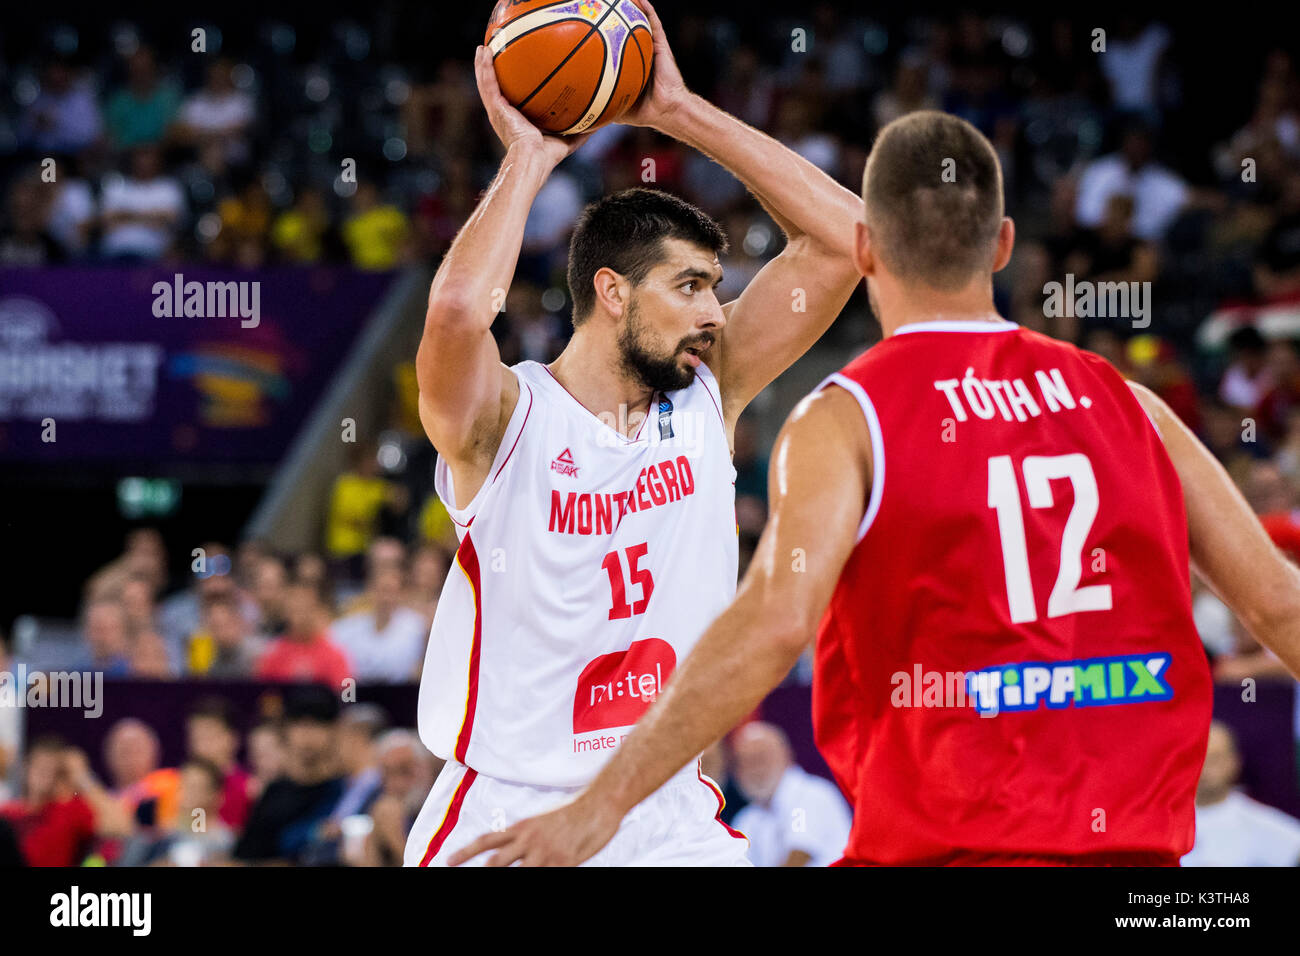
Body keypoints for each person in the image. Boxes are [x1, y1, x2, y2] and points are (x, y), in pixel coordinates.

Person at [449, 110, 1300, 867]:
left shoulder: (849, 415)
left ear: (868, 250)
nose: (713, 311)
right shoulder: (1130, 404)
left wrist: (598, 808)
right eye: (692, 286)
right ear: (1004, 244)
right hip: (1138, 865)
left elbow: (779, 622)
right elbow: (1280, 608)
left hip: (912, 839)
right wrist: (668, 108)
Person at [405, 0, 862, 867]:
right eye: (689, 287)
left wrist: (678, 111)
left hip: (664, 812)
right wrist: (530, 158)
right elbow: (461, 308)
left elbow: (846, 244)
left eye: (713, 288)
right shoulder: (500, 420)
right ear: (612, 292)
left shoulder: (705, 395)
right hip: (505, 808)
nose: (711, 313)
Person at [728, 722, 852, 867]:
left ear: (786, 755)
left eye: (761, 758)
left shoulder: (809, 796)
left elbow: (797, 859)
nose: (755, 769)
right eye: (745, 762)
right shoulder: (747, 819)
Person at [1182, 721, 1300, 866]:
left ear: (1234, 762)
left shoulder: (1260, 821)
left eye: (1214, 759)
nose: (1205, 767)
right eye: (1199, 758)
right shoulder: (1164, 817)